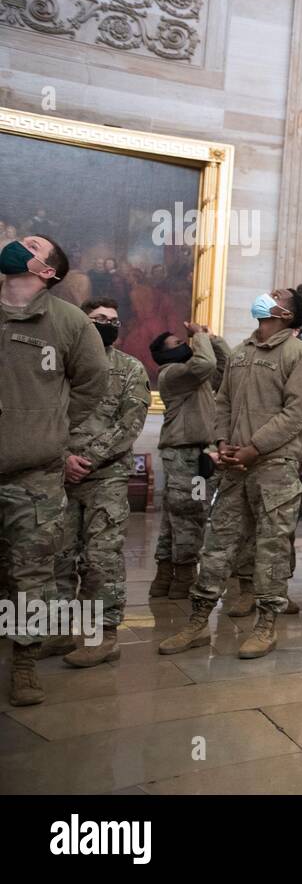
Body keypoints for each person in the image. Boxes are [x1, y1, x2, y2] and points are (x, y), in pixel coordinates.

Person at [157, 287, 302, 660]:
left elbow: (297, 412)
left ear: (285, 312)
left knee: (271, 548)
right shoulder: (242, 352)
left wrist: (254, 447)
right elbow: (223, 400)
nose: (265, 296)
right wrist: (222, 441)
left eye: (275, 295)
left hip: (275, 467)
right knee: (218, 544)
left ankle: (265, 625)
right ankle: (198, 620)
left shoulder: (300, 354)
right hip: (234, 463)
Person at [1, 236, 108, 705]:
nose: (17, 245)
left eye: (31, 245)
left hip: (33, 474)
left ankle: (23, 662)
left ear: (48, 271)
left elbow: (92, 383)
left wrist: (51, 427)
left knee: (30, 576)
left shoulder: (68, 322)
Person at [49, 298, 150, 667]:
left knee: (100, 558)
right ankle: (59, 632)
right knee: (58, 557)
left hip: (105, 478)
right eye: (98, 319)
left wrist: (86, 460)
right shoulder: (62, 364)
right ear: (81, 323)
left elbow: (130, 424)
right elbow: (44, 416)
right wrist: (63, 459)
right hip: (58, 474)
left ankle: (102, 637)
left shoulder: (128, 369)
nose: (107, 323)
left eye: (113, 319)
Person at [148, 322, 230, 600]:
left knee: (175, 517)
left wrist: (213, 338)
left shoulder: (193, 377)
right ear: (164, 355)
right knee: (190, 515)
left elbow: (223, 369)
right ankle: (183, 577)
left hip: (193, 454)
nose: (185, 344)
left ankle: (164, 576)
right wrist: (199, 336)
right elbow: (205, 364)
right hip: (184, 455)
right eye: (178, 343)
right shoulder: (172, 373)